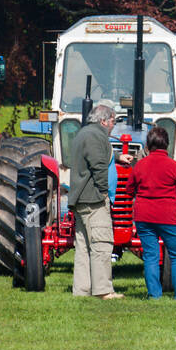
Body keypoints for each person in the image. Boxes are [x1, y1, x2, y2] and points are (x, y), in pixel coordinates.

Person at [129, 126, 176, 302]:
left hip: (143, 215)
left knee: (150, 255)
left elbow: (129, 189)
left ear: (148, 145)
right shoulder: (173, 165)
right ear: (167, 144)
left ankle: (154, 295)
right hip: (167, 215)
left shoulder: (140, 165)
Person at [67, 103, 122, 298]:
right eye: (113, 121)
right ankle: (103, 291)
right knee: (101, 244)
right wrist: (103, 192)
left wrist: (118, 157)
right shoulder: (96, 135)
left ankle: (82, 291)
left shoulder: (84, 133)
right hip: (93, 200)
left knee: (83, 247)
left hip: (81, 199)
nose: (114, 126)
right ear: (104, 120)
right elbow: (98, 166)